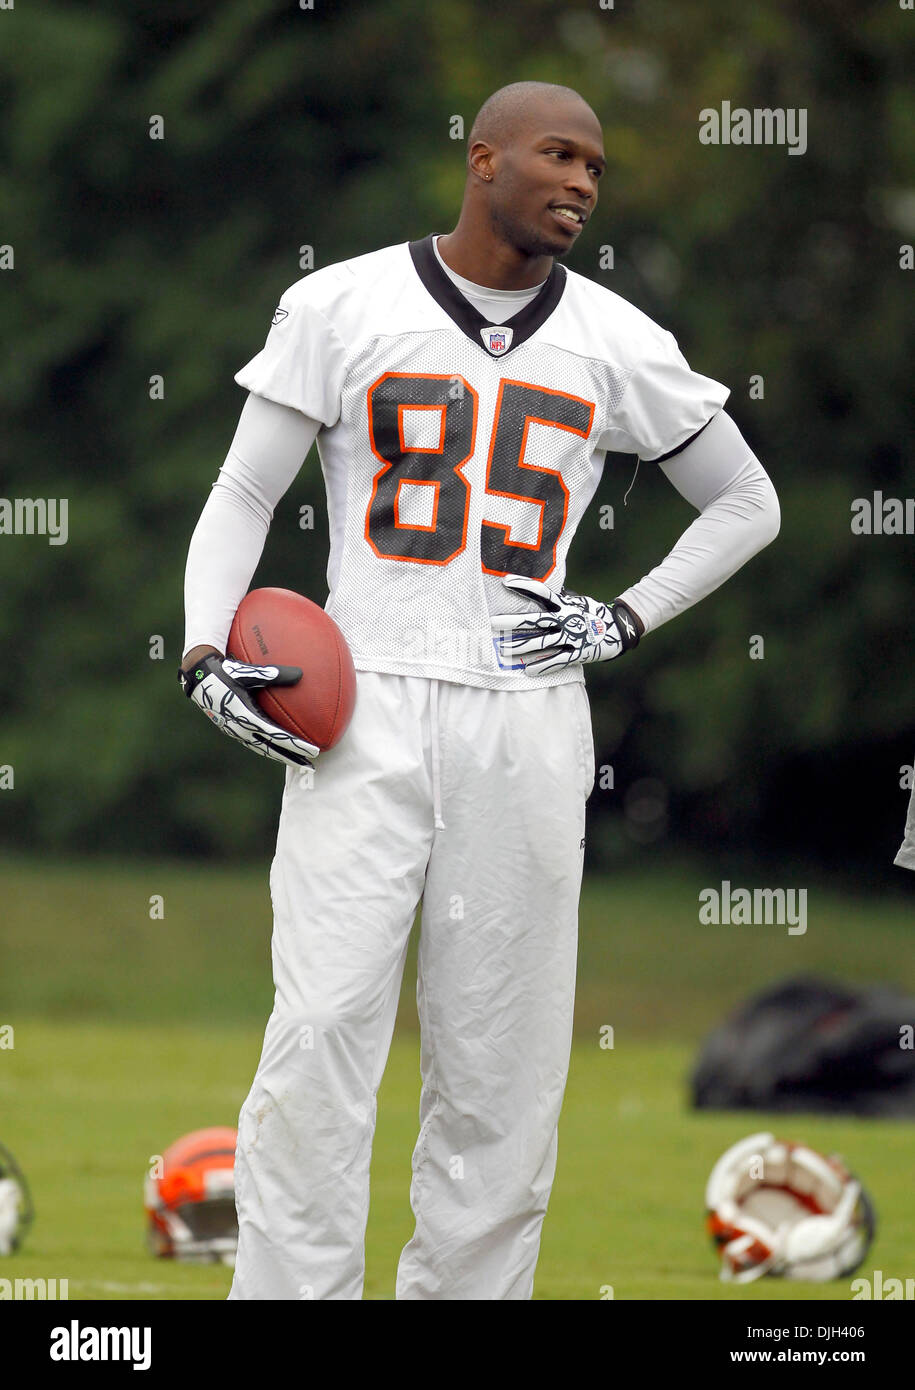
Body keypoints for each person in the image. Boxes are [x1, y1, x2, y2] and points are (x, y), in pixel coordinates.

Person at [179, 81, 780, 1300]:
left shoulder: (615, 336)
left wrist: (625, 613)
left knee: (501, 1071)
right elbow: (244, 493)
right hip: (362, 710)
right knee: (319, 1035)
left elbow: (748, 500)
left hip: (526, 707)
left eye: (598, 169)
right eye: (559, 156)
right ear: (483, 157)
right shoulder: (341, 301)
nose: (581, 184)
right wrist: (202, 648)